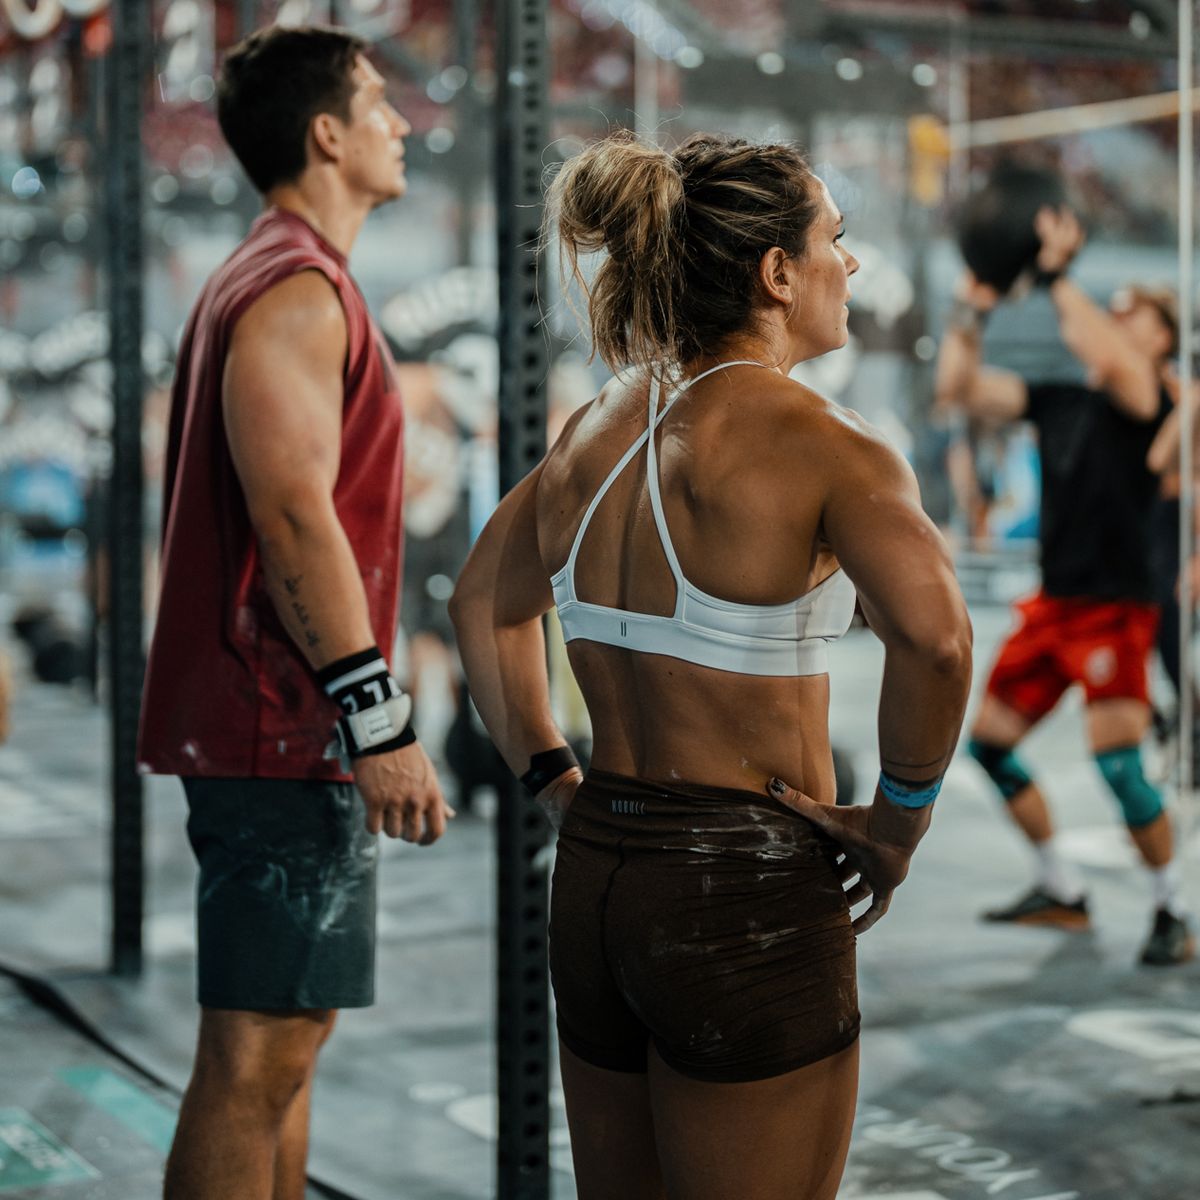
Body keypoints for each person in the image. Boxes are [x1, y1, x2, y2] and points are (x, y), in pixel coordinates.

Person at [450, 131, 972, 1200]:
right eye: (834, 238)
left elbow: (480, 606)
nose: (850, 263)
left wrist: (551, 778)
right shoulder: (831, 444)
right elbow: (938, 641)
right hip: (745, 891)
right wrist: (898, 825)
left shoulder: (597, 426)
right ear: (777, 273)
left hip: (597, 873)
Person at [136, 26, 451, 1200]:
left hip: (285, 720)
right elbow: (291, 516)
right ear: (326, 134)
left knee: (289, 1048)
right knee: (256, 1055)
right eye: (377, 105)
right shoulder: (296, 289)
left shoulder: (285, 277)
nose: (399, 124)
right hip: (280, 719)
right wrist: (379, 719)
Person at [937, 204, 1193, 966]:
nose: (1116, 320)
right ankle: (1062, 888)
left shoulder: (1151, 401)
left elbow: (1111, 357)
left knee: (1119, 767)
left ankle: (1172, 908)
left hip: (1117, 608)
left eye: (1135, 316)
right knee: (991, 747)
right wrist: (973, 307)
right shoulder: (1058, 400)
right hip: (1053, 606)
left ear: (1163, 340)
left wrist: (1055, 275)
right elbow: (958, 386)